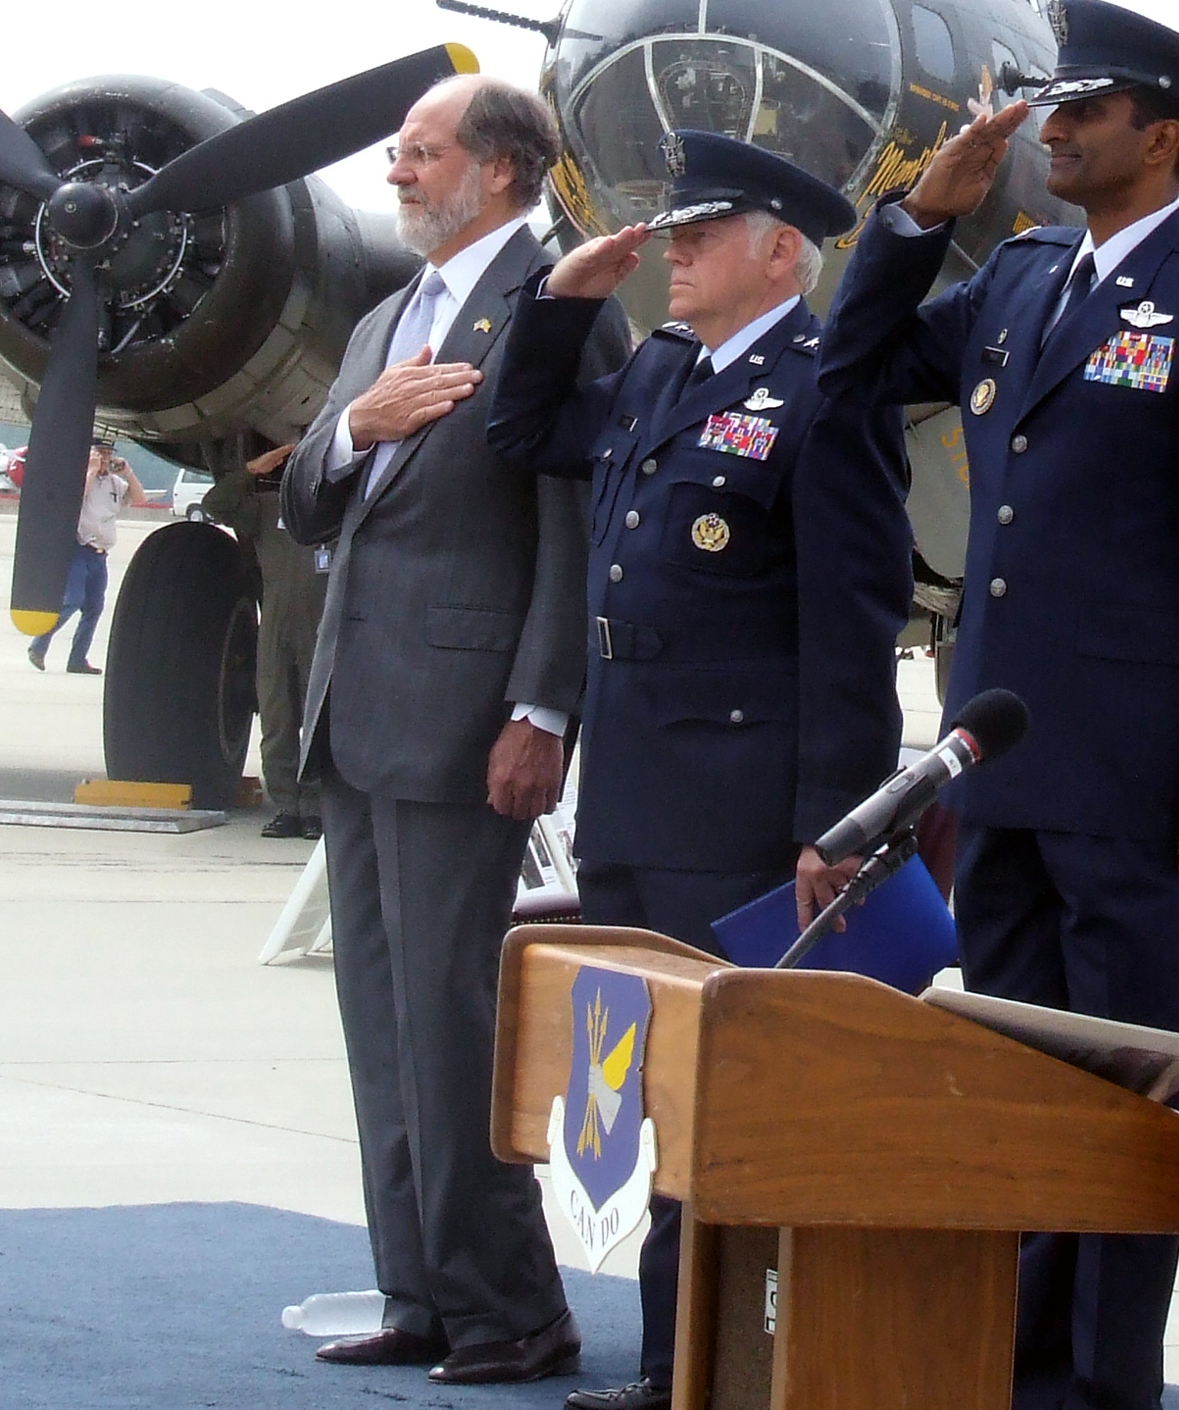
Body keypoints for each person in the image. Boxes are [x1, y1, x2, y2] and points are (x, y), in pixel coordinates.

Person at [818, 0, 1179, 1410]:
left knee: (1111, 1101)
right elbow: (854, 366)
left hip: (1139, 787)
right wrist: (918, 220)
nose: (1055, 120)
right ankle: (1017, 1367)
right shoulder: (1023, 280)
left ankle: (1104, 1390)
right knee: (1016, 1087)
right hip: (1005, 762)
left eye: (1086, 106)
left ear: (1160, 136)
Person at [486, 131, 912, 1410]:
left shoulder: (824, 385)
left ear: (782, 250)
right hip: (630, 788)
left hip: (739, 802)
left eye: (703, 232)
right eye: (674, 230)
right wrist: (559, 301)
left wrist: (832, 829)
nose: (674, 249)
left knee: (724, 1096)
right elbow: (522, 427)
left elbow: (853, 622)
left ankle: (714, 1367)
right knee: (651, 1083)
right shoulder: (663, 368)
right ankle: (677, 1358)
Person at [280, 74, 629, 1385]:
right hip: (356, 717)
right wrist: (354, 431)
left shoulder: (560, 308)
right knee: (380, 1019)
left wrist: (542, 708)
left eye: (418, 155)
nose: (395, 175)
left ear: (494, 172)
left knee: (449, 1018)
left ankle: (511, 1309)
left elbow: (574, 523)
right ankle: (419, 1292)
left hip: (465, 718)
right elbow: (312, 503)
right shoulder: (384, 321)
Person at [205, 438, 328, 838]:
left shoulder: (335, 511)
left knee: (316, 721)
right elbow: (215, 505)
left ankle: (314, 806)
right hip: (276, 627)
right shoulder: (265, 510)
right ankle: (287, 806)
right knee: (277, 718)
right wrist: (251, 470)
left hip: (321, 630)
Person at [26, 440, 141, 673]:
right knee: (72, 600)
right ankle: (39, 644)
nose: (105, 459)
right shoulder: (80, 478)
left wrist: (128, 473)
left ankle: (78, 658)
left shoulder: (113, 484)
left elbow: (139, 499)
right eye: (101, 454)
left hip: (100, 554)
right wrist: (90, 468)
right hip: (79, 548)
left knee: (94, 607)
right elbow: (78, 497)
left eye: (108, 454)